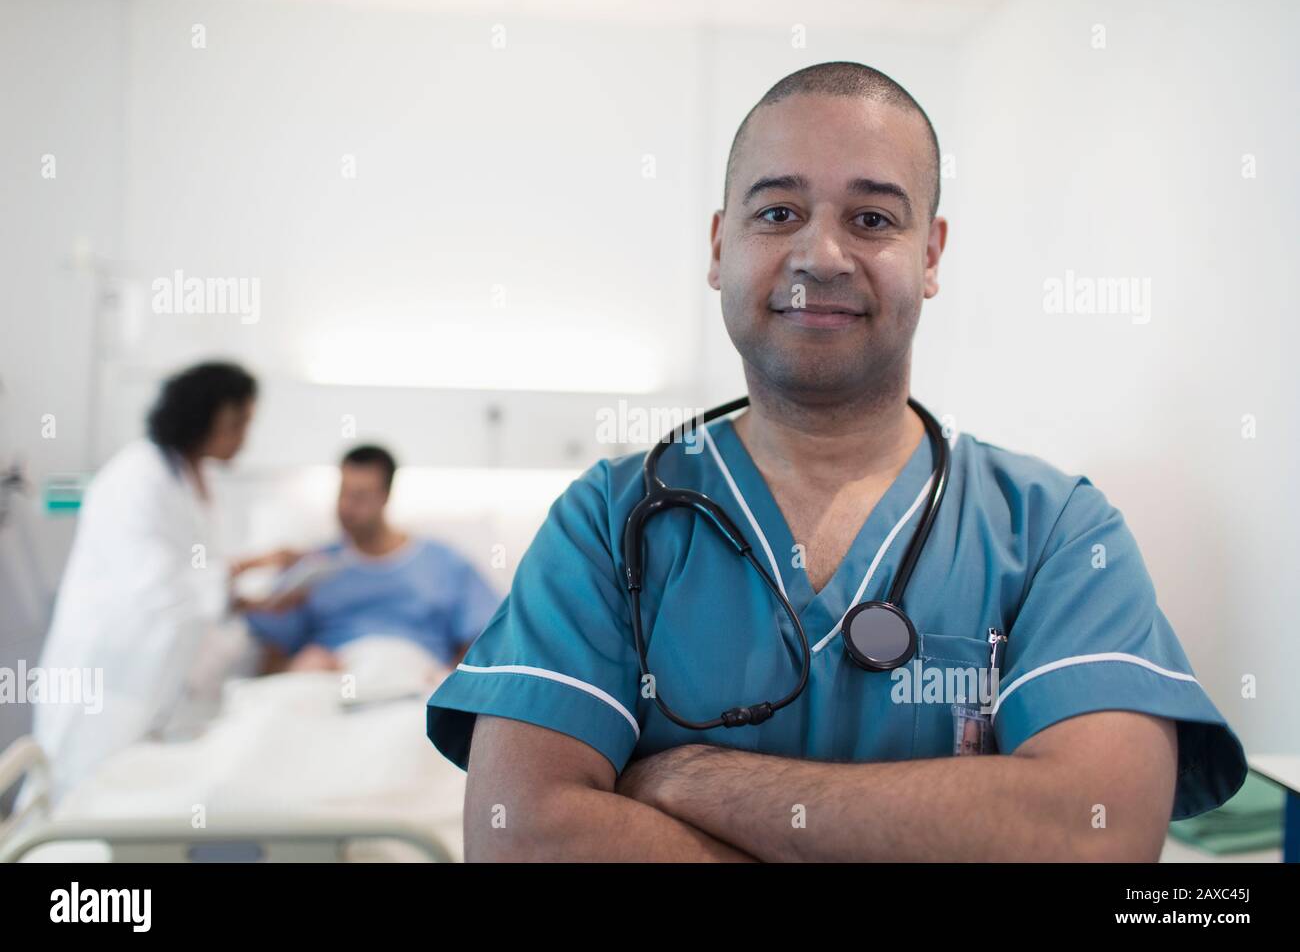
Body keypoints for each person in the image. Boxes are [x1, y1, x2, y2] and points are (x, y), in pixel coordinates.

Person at [425, 62, 1248, 862]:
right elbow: (519, 836)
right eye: (778, 213)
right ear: (721, 247)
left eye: (874, 220)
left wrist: (687, 779)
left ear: (931, 257)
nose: (821, 255)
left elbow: (1092, 834)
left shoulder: (1058, 531)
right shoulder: (604, 524)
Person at [32, 361, 257, 802]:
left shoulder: (195, 480)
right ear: (208, 416)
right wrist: (242, 570)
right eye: (240, 422)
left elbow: (194, 583)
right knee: (75, 797)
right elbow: (157, 590)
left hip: (155, 680)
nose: (245, 436)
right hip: (107, 675)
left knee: (128, 803)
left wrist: (242, 599)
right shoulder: (136, 477)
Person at [237, 445, 500, 674]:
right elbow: (269, 653)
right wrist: (296, 667)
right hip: (330, 683)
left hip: (413, 680)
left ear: (385, 497)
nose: (347, 507)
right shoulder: (314, 565)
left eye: (360, 497)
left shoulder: (443, 563)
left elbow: (488, 638)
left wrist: (449, 678)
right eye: (343, 494)